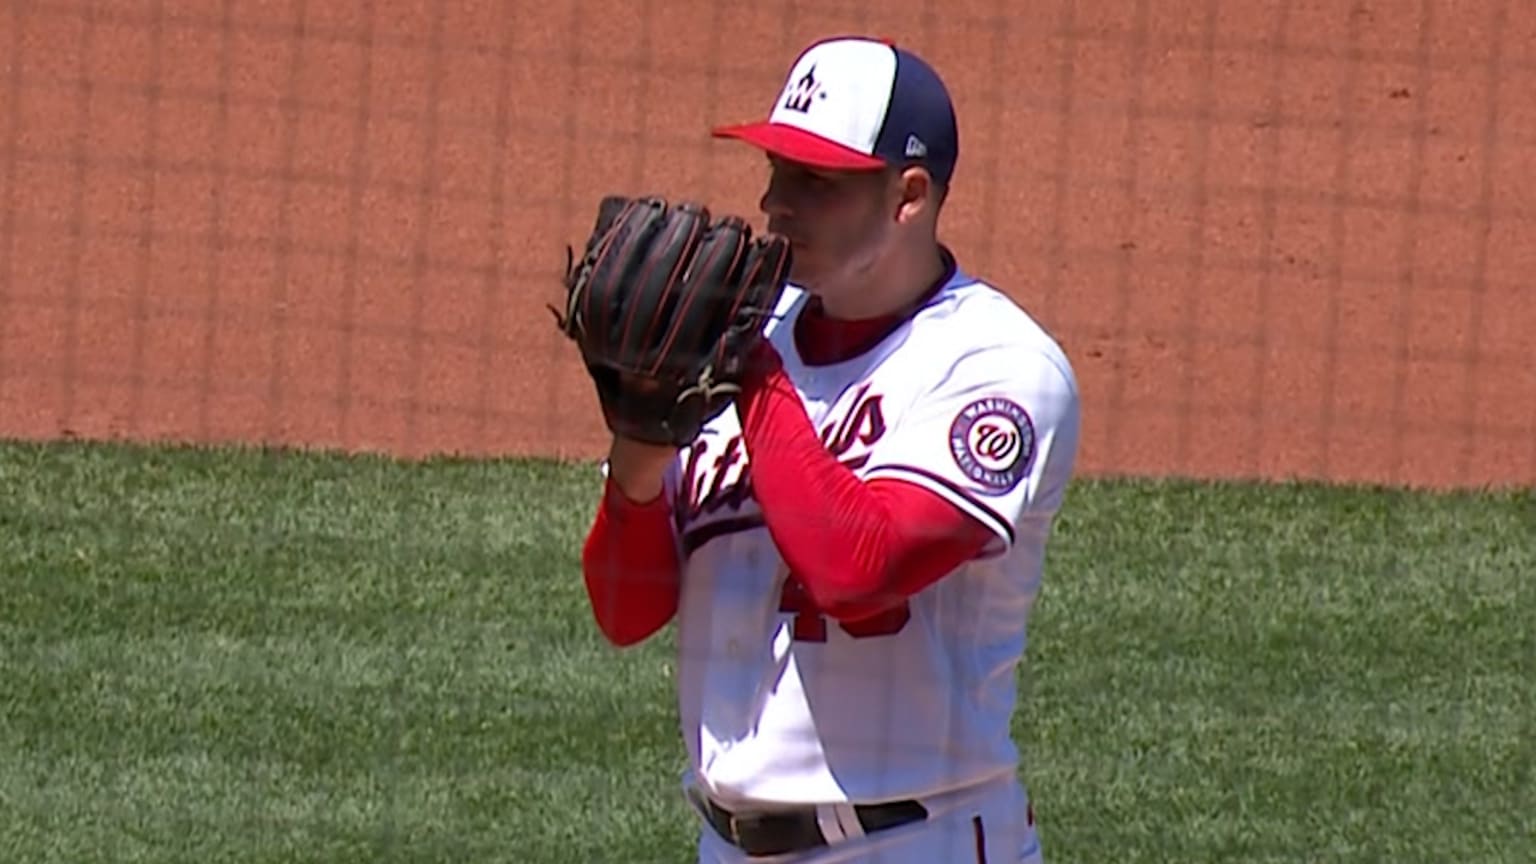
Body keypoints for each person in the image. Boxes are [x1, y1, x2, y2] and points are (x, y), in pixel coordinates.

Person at [578, 34, 1081, 864]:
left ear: (908, 195)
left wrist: (749, 370)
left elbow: (859, 570)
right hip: (727, 845)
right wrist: (637, 445)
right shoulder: (743, 339)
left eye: (817, 181)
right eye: (777, 171)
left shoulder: (998, 364)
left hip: (921, 842)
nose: (777, 204)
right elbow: (625, 614)